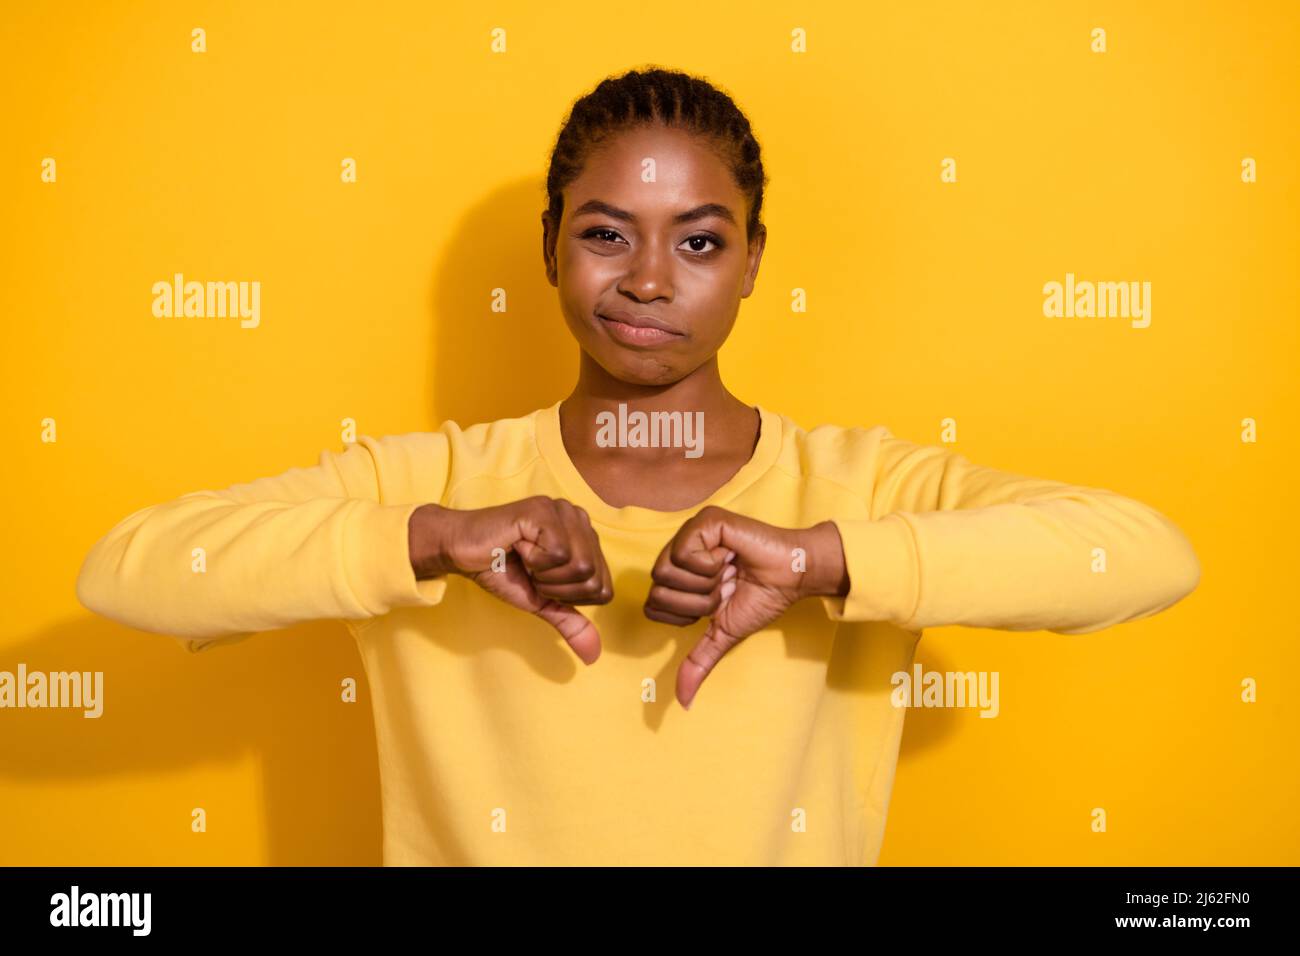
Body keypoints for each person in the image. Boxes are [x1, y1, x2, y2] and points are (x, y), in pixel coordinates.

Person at [75, 67, 1201, 866]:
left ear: (753, 261)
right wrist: (429, 537)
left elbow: (1146, 556)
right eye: (607, 232)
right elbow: (128, 570)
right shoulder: (431, 483)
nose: (650, 279)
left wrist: (819, 561)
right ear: (551, 245)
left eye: (700, 240)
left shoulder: (857, 488)